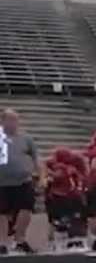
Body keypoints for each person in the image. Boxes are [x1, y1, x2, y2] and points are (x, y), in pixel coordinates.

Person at [0, 109, 41, 254]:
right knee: (2, 212)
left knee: (26, 208)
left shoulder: (26, 139)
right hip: (2, 182)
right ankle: (2, 242)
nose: (13, 123)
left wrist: (40, 174)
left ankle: (20, 239)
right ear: (2, 121)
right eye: (10, 120)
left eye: (15, 120)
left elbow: (36, 158)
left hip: (23, 180)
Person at [44, 147, 86, 252]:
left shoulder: (56, 167)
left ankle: (55, 243)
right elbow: (57, 177)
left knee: (57, 222)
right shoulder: (63, 168)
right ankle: (63, 242)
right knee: (66, 220)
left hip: (57, 197)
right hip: (63, 197)